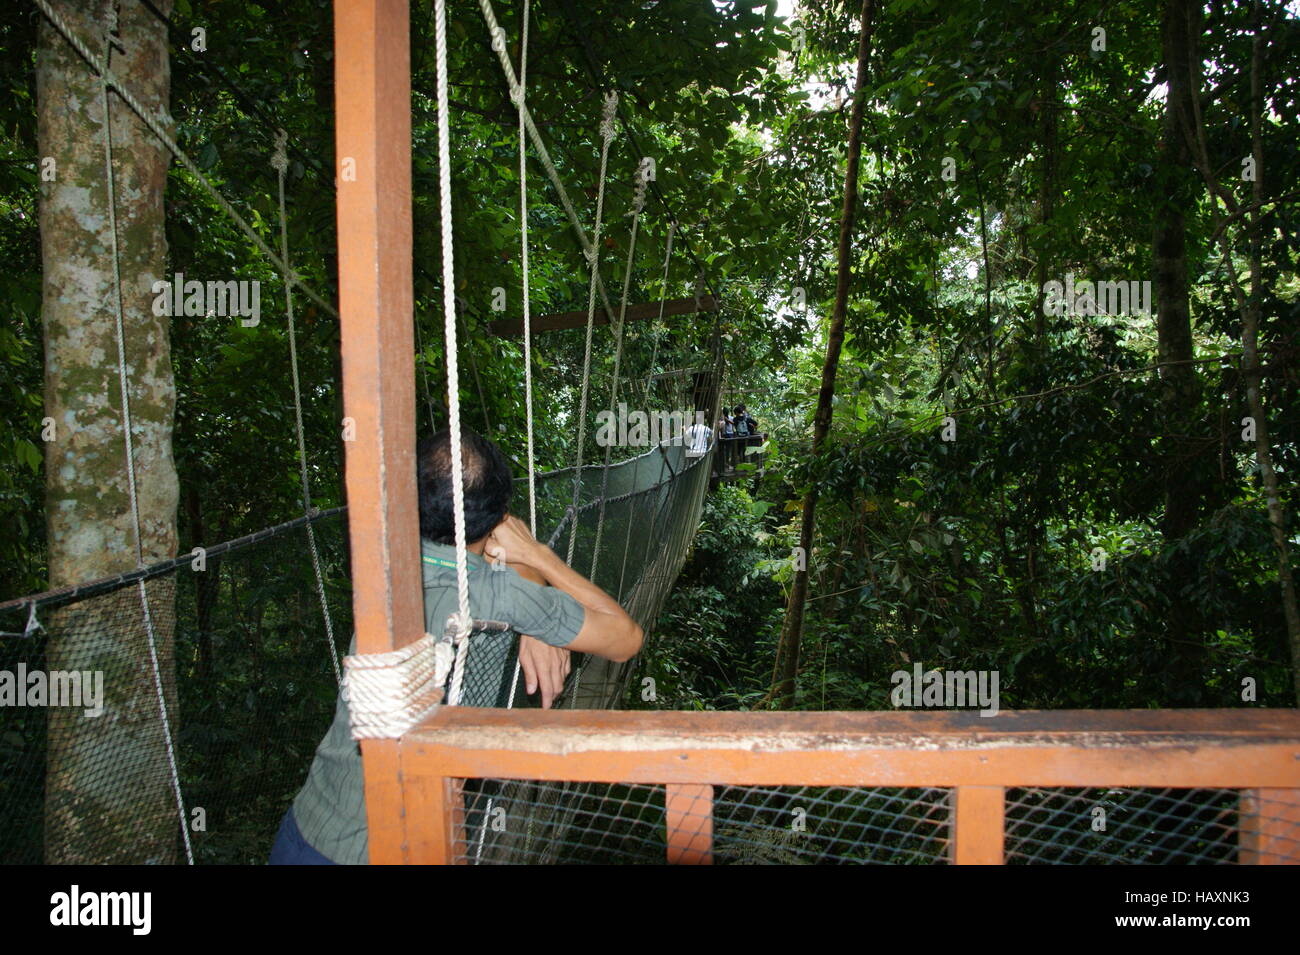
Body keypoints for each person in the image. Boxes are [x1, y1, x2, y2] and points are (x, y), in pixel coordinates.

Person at [271, 426, 643, 865]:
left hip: (307, 830)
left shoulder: (381, 557)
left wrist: (532, 624)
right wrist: (538, 557)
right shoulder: (495, 596)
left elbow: (478, 556)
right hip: (396, 848)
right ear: (499, 517)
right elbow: (625, 639)